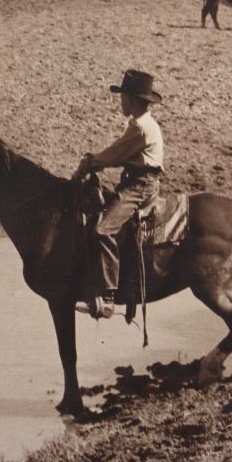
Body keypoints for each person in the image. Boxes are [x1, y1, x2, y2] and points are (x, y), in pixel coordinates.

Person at [73, 69, 164, 319]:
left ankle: (108, 296)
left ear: (133, 100)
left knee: (103, 230)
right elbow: (118, 152)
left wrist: (93, 161)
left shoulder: (141, 128)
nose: (121, 102)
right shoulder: (140, 123)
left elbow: (117, 153)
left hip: (140, 186)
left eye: (123, 97)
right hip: (135, 182)